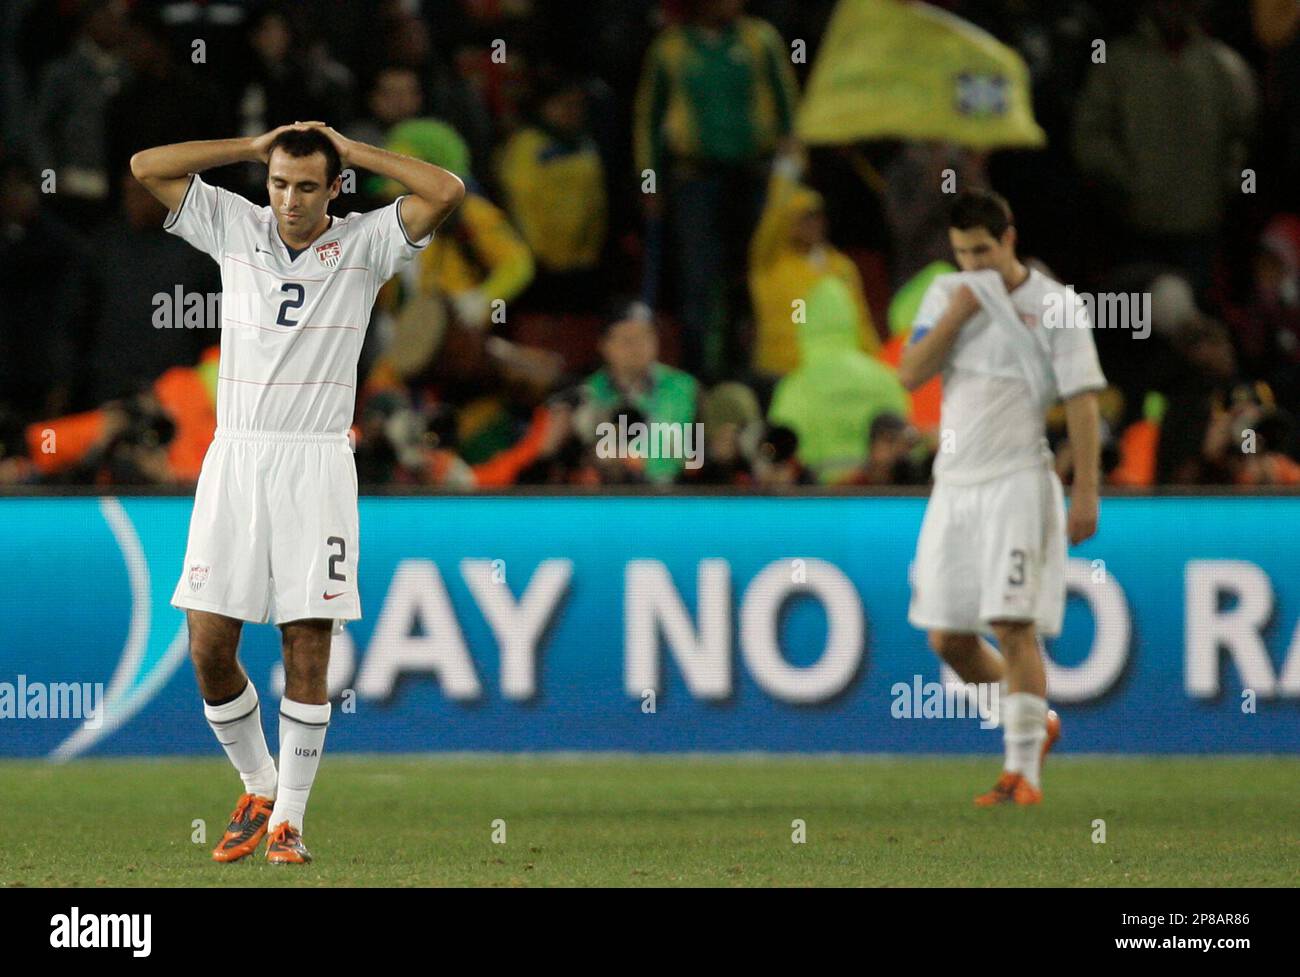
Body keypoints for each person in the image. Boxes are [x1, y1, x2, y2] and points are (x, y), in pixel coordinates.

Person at [130, 122, 464, 863]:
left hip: (316, 461)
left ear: (334, 187)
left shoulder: (368, 243)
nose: (288, 199)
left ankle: (290, 821)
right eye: (279, 183)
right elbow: (147, 161)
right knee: (209, 646)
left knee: (306, 644)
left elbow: (446, 190)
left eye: (307, 185)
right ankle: (259, 784)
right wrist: (250, 147)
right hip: (237, 458)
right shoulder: (235, 224)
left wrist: (355, 149)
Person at [898, 190, 1105, 807]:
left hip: (1018, 478)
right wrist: (961, 311)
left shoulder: (1056, 305)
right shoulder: (945, 294)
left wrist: (1086, 492)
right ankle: (1033, 723)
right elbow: (910, 374)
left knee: (1012, 624)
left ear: (1009, 238)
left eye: (983, 250)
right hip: (954, 483)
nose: (973, 264)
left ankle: (1022, 774)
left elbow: (1083, 401)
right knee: (948, 639)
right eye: (962, 253)